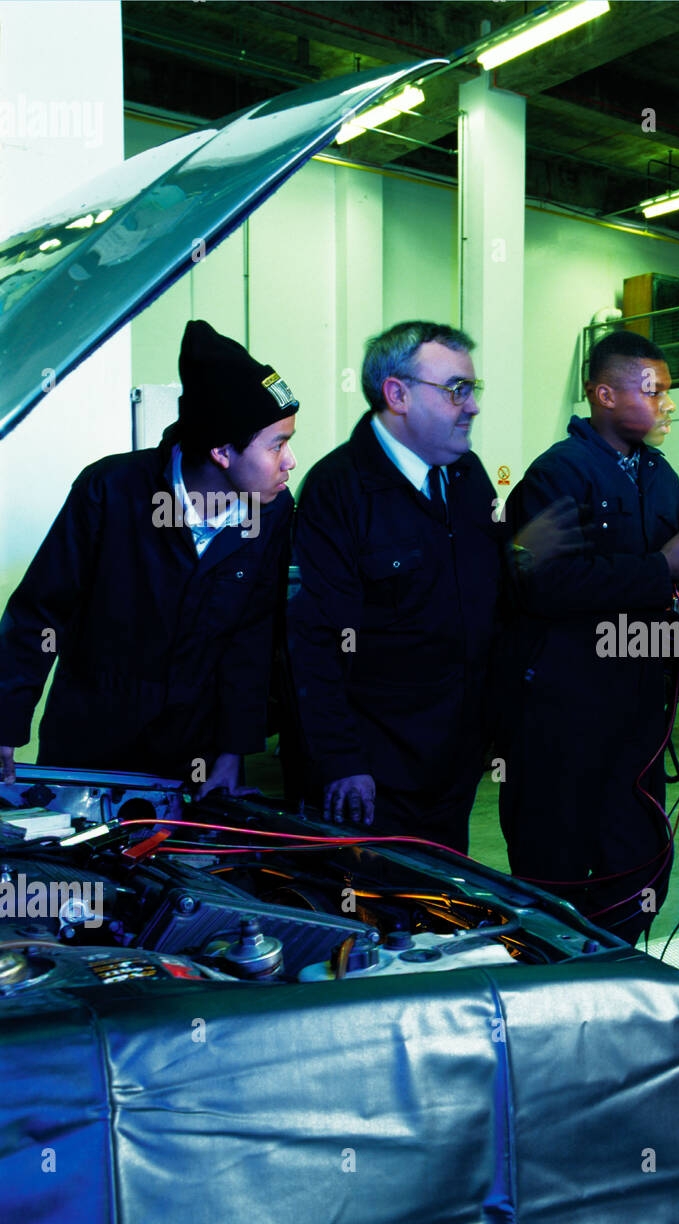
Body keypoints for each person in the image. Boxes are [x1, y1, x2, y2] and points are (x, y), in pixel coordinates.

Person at [496, 330, 679, 943]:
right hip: (564, 712)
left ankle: (609, 974)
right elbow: (543, 584)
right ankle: (554, 992)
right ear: (604, 394)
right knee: (554, 867)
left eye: (668, 391)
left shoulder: (656, 472)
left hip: (636, 714)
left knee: (638, 861)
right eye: (654, 390)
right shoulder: (558, 474)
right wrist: (662, 569)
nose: (668, 403)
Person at [286, 321, 573, 854]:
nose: (473, 406)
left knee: (438, 913)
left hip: (455, 760)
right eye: (456, 390)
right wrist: (342, 761)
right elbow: (314, 641)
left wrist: (524, 556)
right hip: (374, 773)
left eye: (473, 389)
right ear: (397, 394)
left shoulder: (465, 476)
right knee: (368, 916)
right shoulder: (338, 490)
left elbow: (485, 596)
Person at [0, 320, 298, 792]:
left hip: (191, 758)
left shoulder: (274, 512)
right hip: (91, 747)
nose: (290, 461)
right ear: (222, 450)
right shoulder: (110, 491)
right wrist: (5, 721)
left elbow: (251, 639)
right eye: (277, 445)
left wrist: (232, 752)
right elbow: (41, 613)